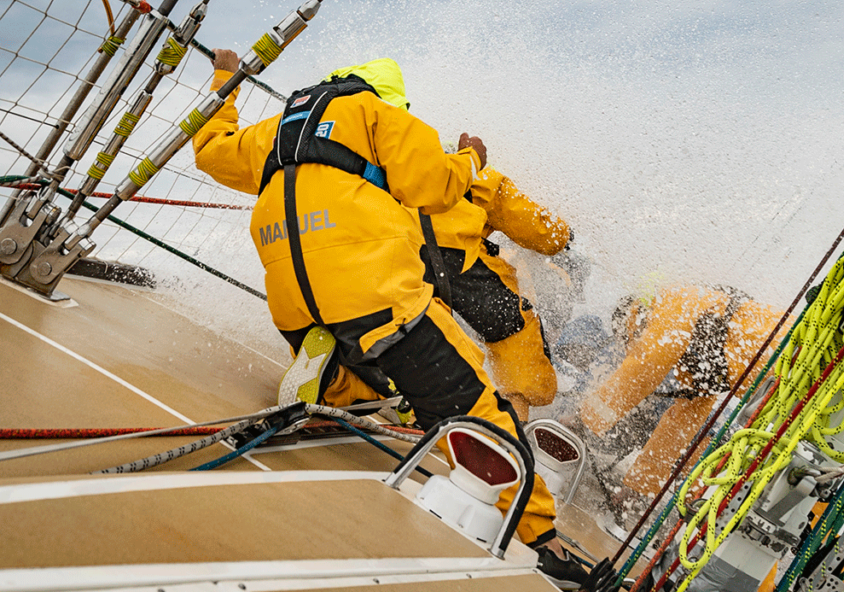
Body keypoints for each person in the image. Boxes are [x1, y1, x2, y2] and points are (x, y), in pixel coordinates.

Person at [192, 50, 593, 589]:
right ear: (390, 100)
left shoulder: (276, 131)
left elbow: (211, 151)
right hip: (383, 286)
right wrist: (472, 158)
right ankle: (542, 537)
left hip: (292, 289)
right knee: (474, 396)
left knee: (369, 351)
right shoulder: (380, 118)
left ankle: (335, 380)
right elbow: (438, 186)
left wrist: (225, 77)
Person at [574, 285, 790, 517]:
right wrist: (637, 486)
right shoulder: (702, 341)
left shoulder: (673, 307)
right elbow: (681, 424)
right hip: (783, 380)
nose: (633, 349)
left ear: (633, 322)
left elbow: (639, 373)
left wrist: (582, 421)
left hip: (794, 355)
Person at [425, 165, 574, 422]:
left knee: (414, 325)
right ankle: (514, 426)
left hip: (402, 253)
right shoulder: (480, 177)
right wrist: (562, 236)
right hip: (457, 261)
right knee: (516, 329)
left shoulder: (418, 167)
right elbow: (531, 226)